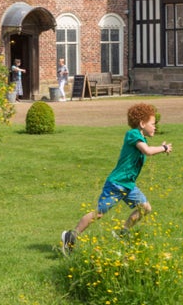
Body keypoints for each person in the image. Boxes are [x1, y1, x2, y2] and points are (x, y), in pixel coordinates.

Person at [61, 103, 171, 254]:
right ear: (142, 123)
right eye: (153, 124)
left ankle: (122, 233)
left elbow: (147, 150)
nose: (155, 127)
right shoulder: (133, 134)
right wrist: (163, 148)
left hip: (128, 185)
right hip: (116, 184)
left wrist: (160, 148)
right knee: (99, 213)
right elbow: (147, 152)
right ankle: (71, 236)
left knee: (145, 208)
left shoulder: (141, 138)